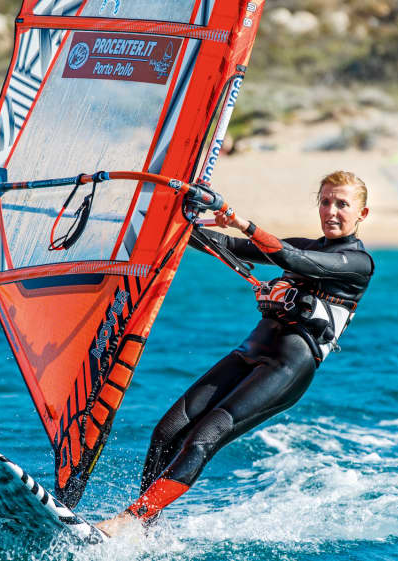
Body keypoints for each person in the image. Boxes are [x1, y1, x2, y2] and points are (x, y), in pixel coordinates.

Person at [96, 171, 375, 536]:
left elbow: (298, 262)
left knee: (203, 437)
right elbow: (222, 244)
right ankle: (145, 527)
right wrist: (172, 217)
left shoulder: (359, 263)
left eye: (342, 204)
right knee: (166, 432)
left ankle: (129, 520)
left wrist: (244, 222)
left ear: (361, 214)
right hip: (249, 352)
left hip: (288, 367)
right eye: (325, 201)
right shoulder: (305, 245)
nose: (331, 211)